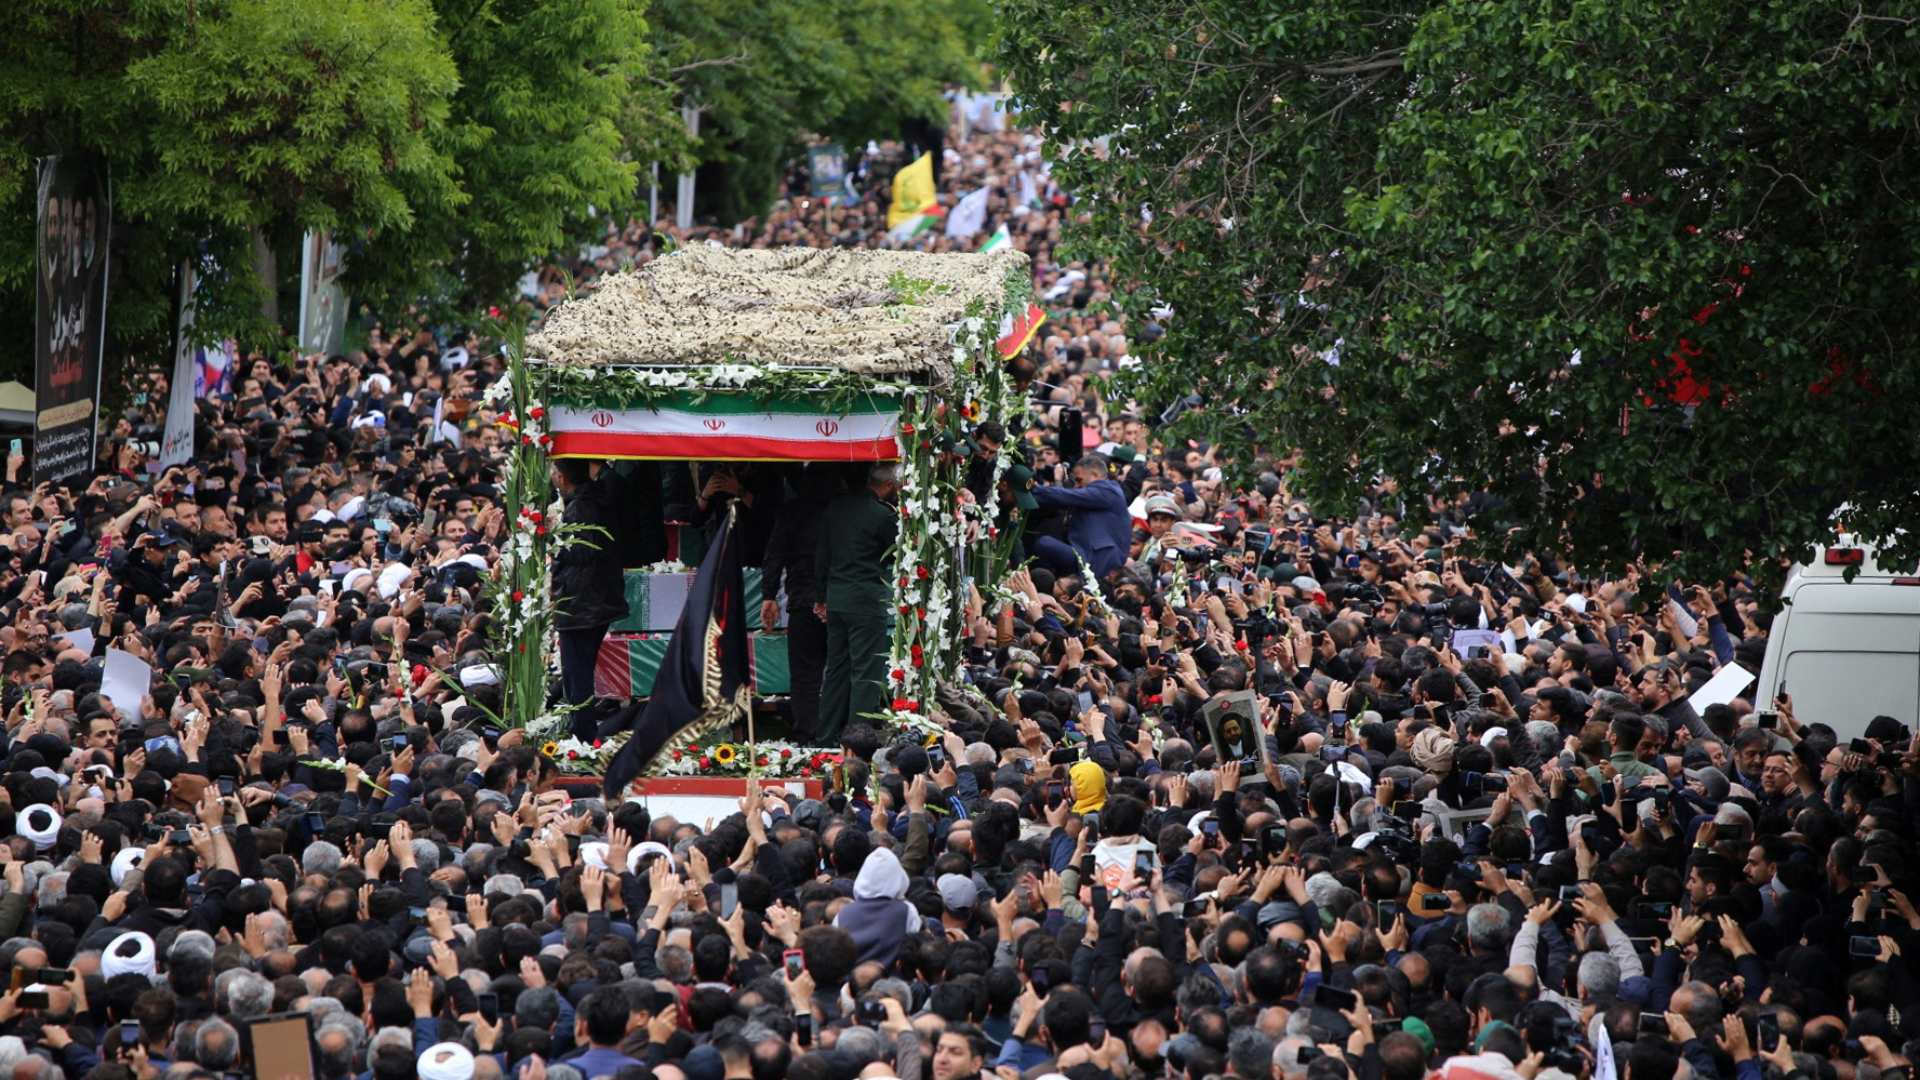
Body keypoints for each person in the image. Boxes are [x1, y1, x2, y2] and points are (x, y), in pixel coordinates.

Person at [814, 462, 899, 744]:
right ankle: (856, 740)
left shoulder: (834, 509)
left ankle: (826, 736)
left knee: (836, 669)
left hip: (836, 597)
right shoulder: (883, 515)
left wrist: (820, 597)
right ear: (888, 486)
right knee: (865, 671)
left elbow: (821, 557)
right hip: (866, 600)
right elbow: (894, 556)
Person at [550, 458, 627, 731]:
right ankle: (582, 728)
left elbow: (581, 551)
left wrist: (553, 540)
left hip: (582, 605)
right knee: (578, 673)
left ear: (561, 477)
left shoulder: (582, 507)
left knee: (577, 675)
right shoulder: (596, 500)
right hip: (593, 599)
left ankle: (582, 735)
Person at [762, 465, 836, 742]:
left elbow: (773, 554)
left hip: (802, 600)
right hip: (836, 600)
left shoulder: (791, 511)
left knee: (805, 673)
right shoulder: (838, 510)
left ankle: (807, 730)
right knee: (839, 670)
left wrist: (769, 595)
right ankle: (833, 729)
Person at [1029, 450, 1131, 581]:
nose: (1076, 486)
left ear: (1095, 475)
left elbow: (1067, 496)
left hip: (1098, 558)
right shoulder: (1093, 496)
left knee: (1044, 543)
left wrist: (1033, 488)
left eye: (1079, 480)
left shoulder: (1108, 490)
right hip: (1086, 556)